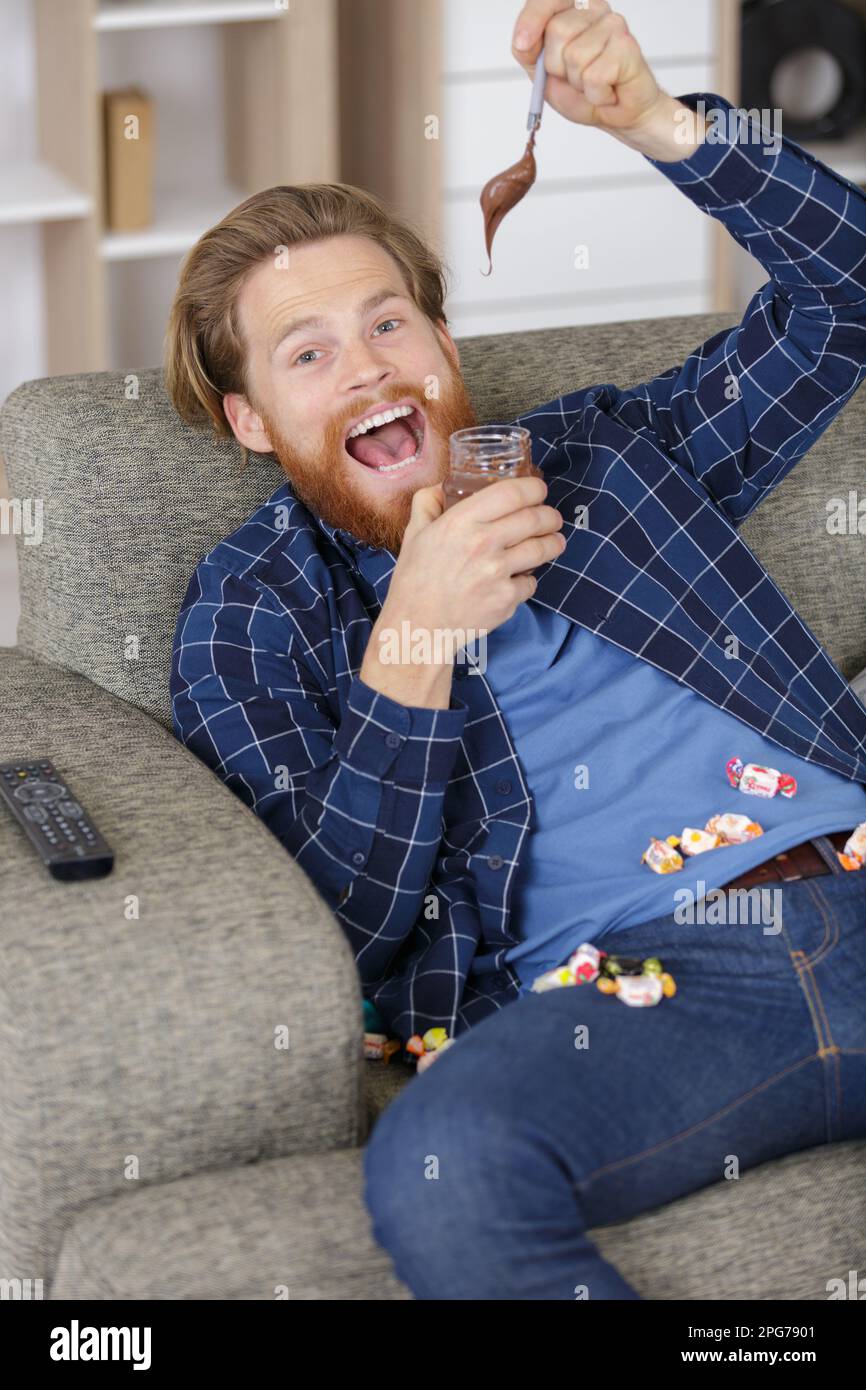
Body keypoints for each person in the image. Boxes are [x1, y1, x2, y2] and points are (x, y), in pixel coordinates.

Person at [167, 0, 866, 1298]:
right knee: (448, 1162)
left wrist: (663, 128)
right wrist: (414, 638)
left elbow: (849, 297)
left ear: (441, 343)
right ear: (253, 421)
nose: (369, 369)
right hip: (647, 994)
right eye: (307, 353)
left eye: (390, 322)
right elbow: (342, 927)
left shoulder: (606, 456)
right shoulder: (254, 609)